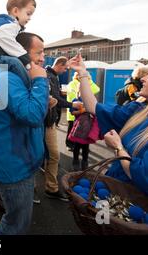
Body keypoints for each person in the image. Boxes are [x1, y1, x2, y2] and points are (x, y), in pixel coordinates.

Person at [69, 56, 148, 234]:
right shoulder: (138, 111)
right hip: (115, 195)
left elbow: (145, 176)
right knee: (99, 229)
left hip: (145, 216)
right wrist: (82, 73)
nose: (142, 78)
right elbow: (92, 106)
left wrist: (119, 148)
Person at [0, 32, 49, 235]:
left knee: (16, 221)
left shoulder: (15, 75)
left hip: (21, 160)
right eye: (38, 53)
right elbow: (32, 115)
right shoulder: (6, 78)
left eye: (43, 53)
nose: (42, 58)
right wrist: (40, 83)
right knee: (15, 225)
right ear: (19, 51)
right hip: (15, 166)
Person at [44, 57, 81, 201]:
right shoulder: (47, 76)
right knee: (42, 156)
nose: (65, 71)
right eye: (65, 68)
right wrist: (72, 105)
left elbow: (56, 99)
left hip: (50, 121)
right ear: (59, 65)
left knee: (53, 156)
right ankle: (36, 189)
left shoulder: (53, 76)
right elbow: (54, 99)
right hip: (43, 123)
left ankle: (51, 187)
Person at [0, 0, 36, 76]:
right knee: (15, 62)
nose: (29, 18)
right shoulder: (10, 26)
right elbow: (6, 39)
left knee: (15, 62)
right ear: (15, 11)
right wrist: (26, 59)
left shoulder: (11, 26)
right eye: (28, 14)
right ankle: (30, 83)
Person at [66, 71, 100, 170]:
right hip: (78, 126)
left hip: (88, 127)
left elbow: (95, 110)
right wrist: (82, 110)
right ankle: (75, 161)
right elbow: (73, 112)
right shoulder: (76, 100)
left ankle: (85, 162)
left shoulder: (90, 100)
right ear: (78, 91)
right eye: (81, 90)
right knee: (77, 145)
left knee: (86, 146)